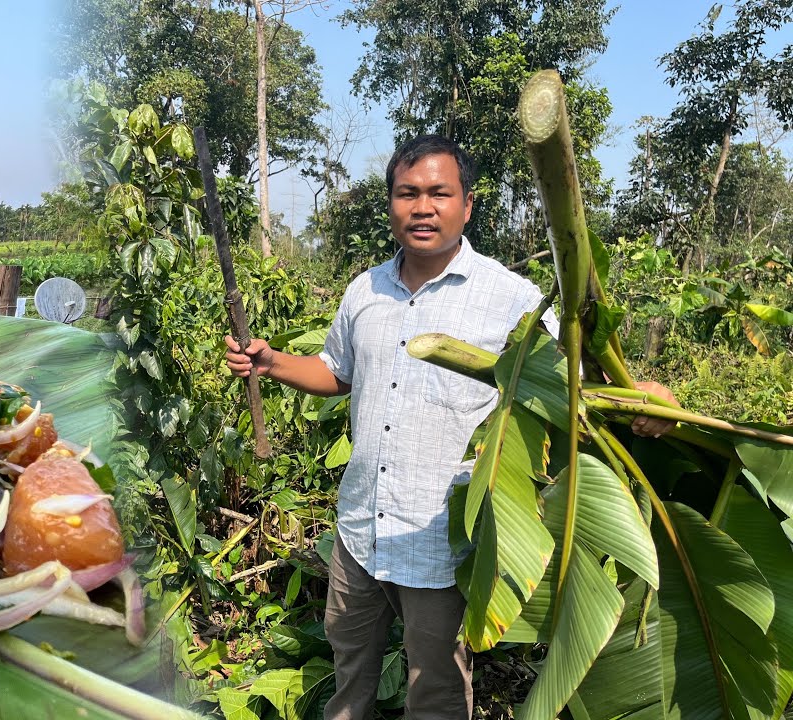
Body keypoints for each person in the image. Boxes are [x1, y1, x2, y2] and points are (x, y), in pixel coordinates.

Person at [225, 135, 676, 720]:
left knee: (435, 687)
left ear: (467, 205)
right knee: (349, 670)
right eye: (407, 193)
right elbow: (338, 372)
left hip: (442, 537)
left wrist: (646, 394)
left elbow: (576, 381)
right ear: (390, 204)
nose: (422, 207)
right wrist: (273, 363)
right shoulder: (365, 290)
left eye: (439, 193)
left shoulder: (509, 297)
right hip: (361, 527)